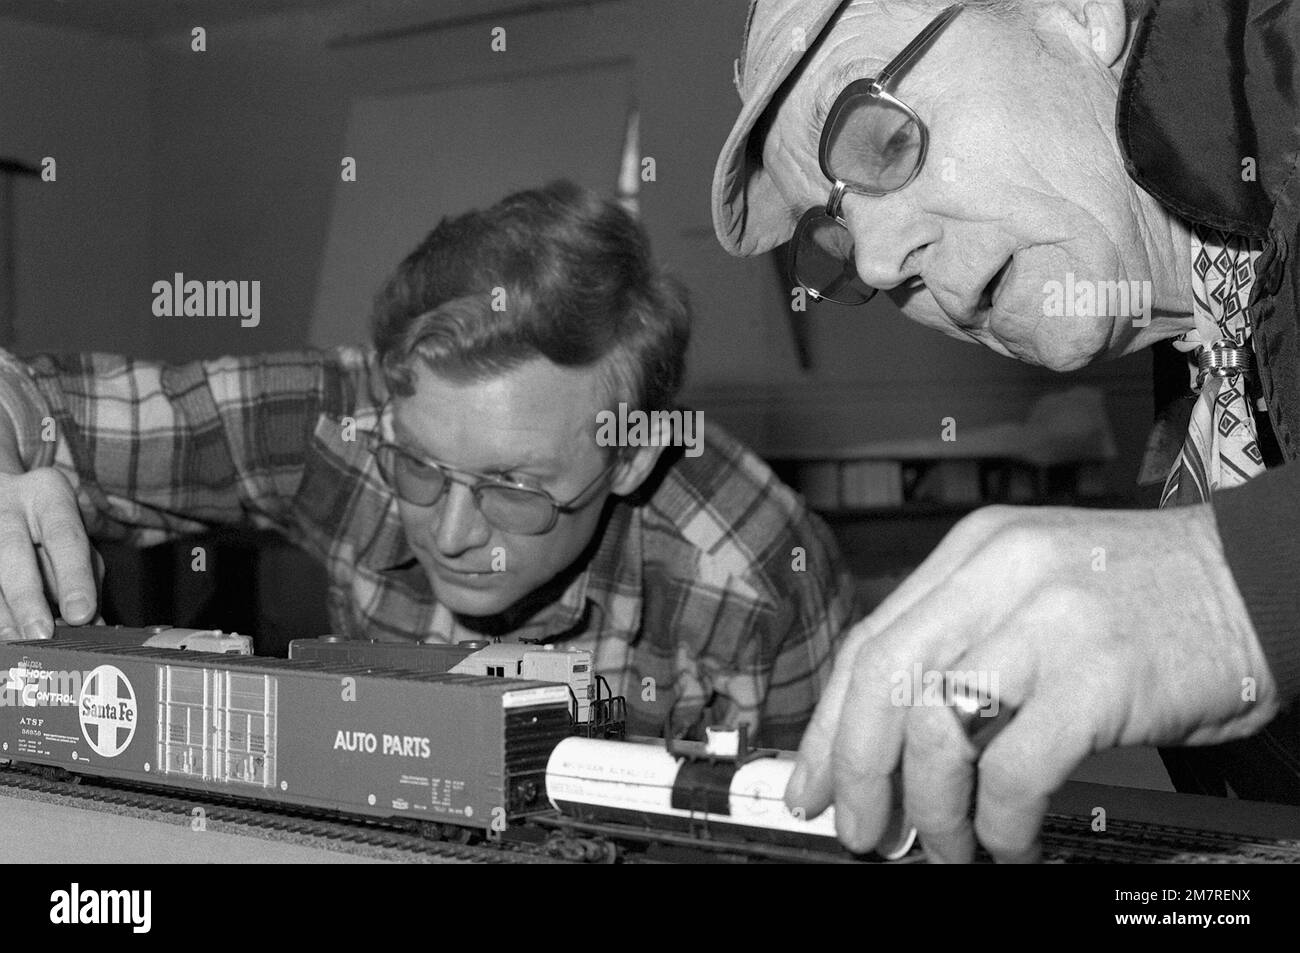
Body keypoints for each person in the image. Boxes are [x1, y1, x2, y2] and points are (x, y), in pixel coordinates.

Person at [713, 0, 1300, 861]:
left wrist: (1234, 583)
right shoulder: (1201, 372)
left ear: (1075, 12)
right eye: (832, 241)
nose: (876, 264)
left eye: (881, 139)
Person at [0, 180, 858, 748]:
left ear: (629, 452)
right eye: (416, 463)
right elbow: (35, 401)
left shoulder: (757, 580)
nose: (451, 534)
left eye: (515, 487)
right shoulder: (342, 424)